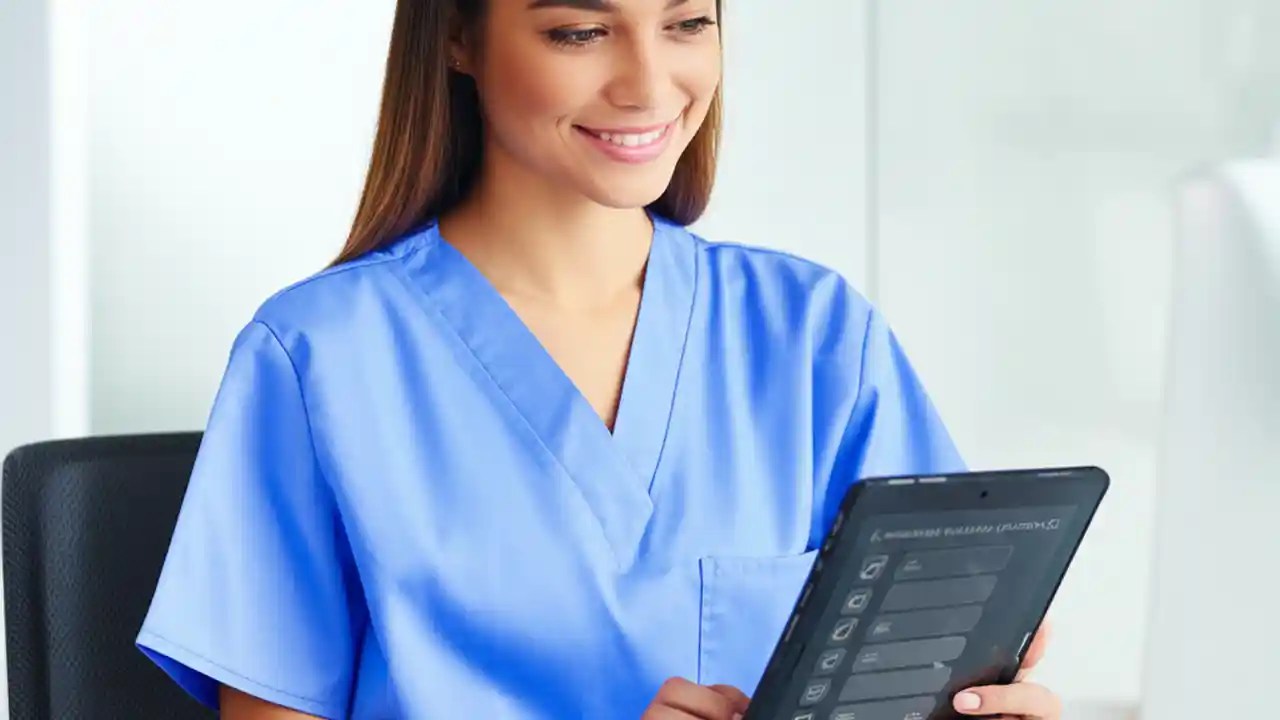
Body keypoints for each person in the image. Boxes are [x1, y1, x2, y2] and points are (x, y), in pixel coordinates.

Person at [136, 1, 1063, 718]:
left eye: (687, 23)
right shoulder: (320, 359)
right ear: (458, 38)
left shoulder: (814, 335)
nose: (648, 84)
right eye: (580, 31)